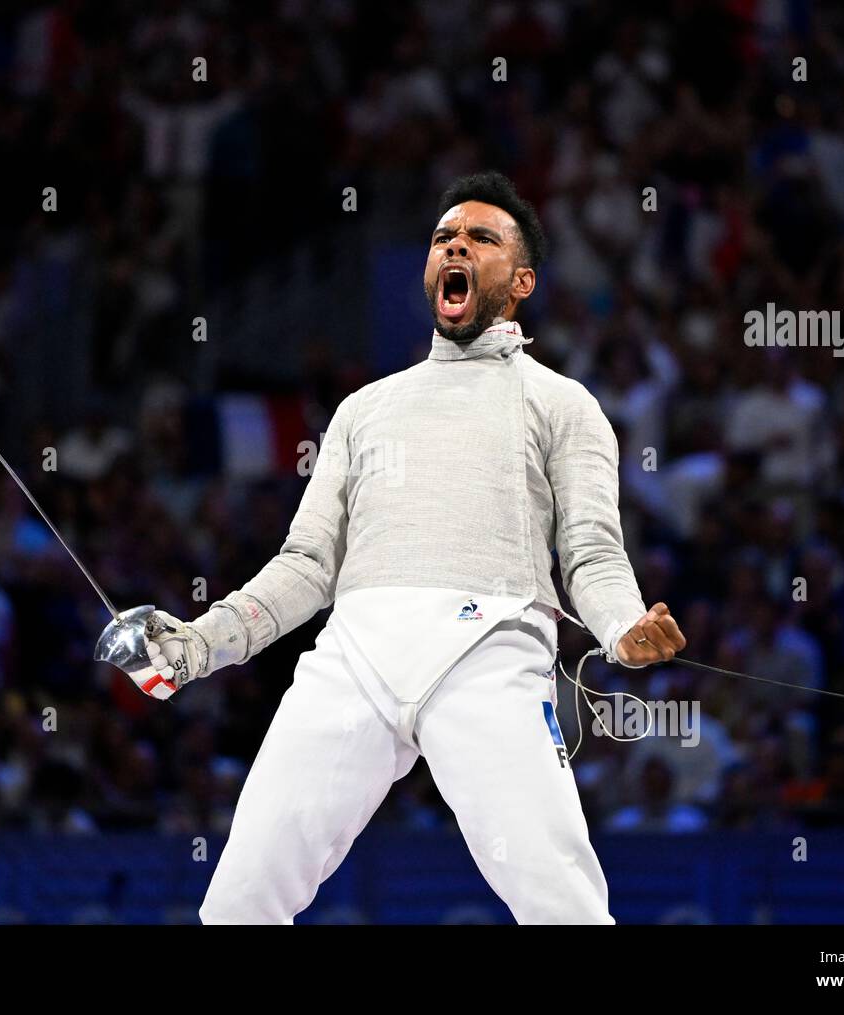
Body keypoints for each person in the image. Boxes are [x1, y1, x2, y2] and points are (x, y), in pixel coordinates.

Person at [97, 171, 685, 924]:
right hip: (353, 656)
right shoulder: (364, 410)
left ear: (521, 279)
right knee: (239, 902)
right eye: (444, 237)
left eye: (480, 238)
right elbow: (306, 566)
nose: (456, 247)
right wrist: (196, 645)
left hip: (490, 650)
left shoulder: (563, 404)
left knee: (562, 903)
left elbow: (591, 550)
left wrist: (620, 627)